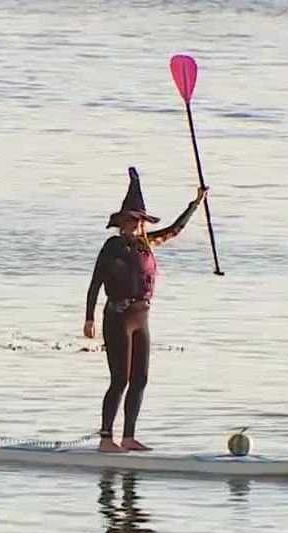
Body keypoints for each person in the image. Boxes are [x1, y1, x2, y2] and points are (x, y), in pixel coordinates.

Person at [84, 167, 206, 453]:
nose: (135, 226)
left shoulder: (148, 244)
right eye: (130, 221)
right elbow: (95, 282)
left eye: (138, 222)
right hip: (117, 317)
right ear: (122, 222)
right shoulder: (112, 247)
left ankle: (128, 437)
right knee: (120, 379)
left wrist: (196, 203)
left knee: (140, 379)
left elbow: (175, 230)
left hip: (142, 318)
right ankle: (105, 439)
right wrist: (89, 317)